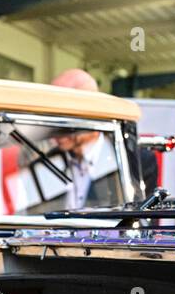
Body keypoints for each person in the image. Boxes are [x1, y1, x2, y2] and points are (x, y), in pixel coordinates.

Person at [48, 68, 127, 209]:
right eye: (52, 115)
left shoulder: (129, 162)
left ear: (92, 111)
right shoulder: (47, 162)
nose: (56, 126)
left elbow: (135, 223)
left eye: (66, 115)